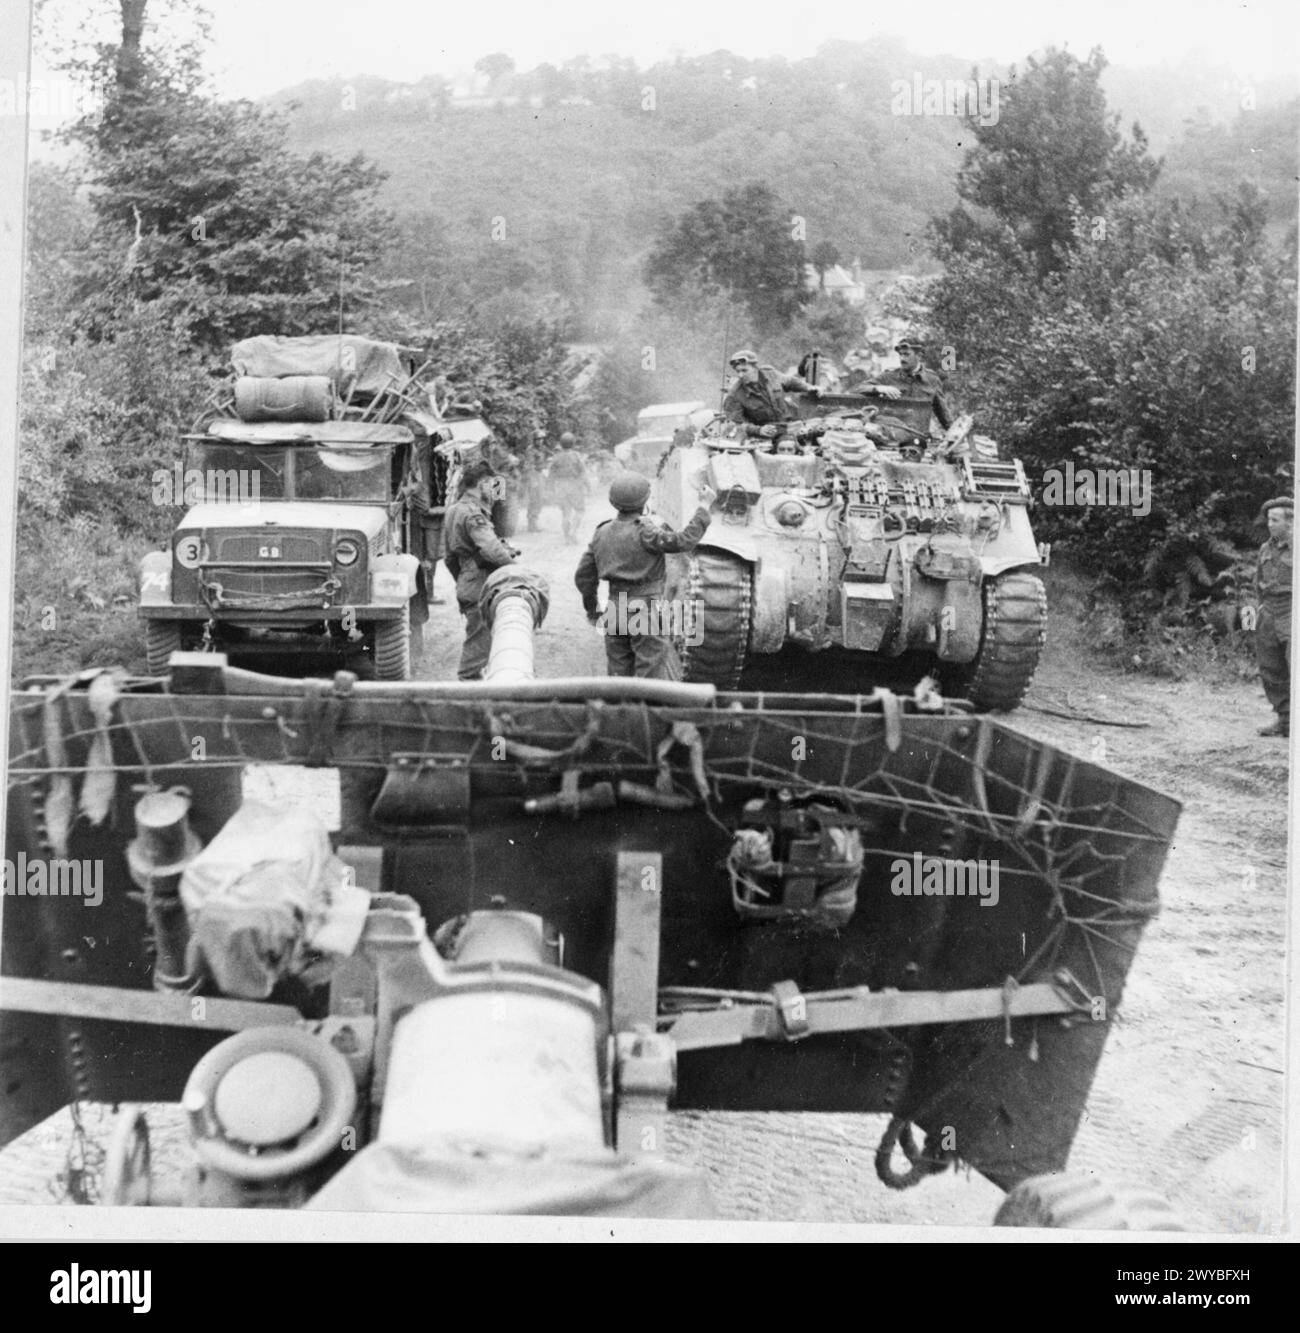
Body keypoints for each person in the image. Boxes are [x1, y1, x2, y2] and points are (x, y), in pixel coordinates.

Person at [575, 472, 717, 679]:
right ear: (644, 501)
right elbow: (684, 541)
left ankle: (620, 710)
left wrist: (592, 609)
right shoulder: (646, 531)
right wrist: (704, 507)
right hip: (644, 608)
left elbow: (584, 576)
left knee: (618, 675)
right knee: (649, 677)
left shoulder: (601, 532)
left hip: (615, 607)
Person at [443, 461, 520, 680]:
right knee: (478, 649)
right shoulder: (473, 514)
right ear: (482, 483)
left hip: (468, 580)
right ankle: (469, 699)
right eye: (491, 484)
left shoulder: (454, 509)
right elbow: (492, 550)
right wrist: (514, 569)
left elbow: (448, 558)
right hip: (479, 583)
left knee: (482, 643)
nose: (494, 489)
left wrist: (463, 578)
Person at [1253, 496, 1292, 737]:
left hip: (1292, 611)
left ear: (1290, 522)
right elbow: (1258, 582)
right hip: (1268, 612)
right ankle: (1285, 719)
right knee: (1270, 668)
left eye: (1275, 520)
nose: (1270, 524)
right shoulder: (1265, 549)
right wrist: (1259, 609)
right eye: (1268, 519)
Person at [722, 349, 819, 440]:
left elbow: (790, 381)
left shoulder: (770, 374)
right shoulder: (734, 395)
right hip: (767, 434)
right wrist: (758, 430)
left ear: (755, 368)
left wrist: (808, 387)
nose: (740, 375)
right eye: (738, 371)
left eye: (744, 370)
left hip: (792, 426)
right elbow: (735, 425)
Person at [885, 336, 953, 432]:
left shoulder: (932, 380)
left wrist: (953, 433)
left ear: (919, 356)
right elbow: (859, 389)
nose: (902, 358)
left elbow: (943, 414)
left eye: (906, 354)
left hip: (920, 436)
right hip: (892, 435)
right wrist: (879, 388)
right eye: (900, 354)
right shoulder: (889, 377)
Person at [547, 432, 589, 545]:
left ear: (561, 444)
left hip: (561, 486)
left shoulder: (556, 457)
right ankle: (574, 532)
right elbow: (583, 472)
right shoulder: (576, 455)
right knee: (580, 510)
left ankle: (566, 537)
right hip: (574, 485)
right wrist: (587, 486)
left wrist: (550, 489)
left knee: (566, 513)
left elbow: (551, 474)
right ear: (573, 443)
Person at [520, 432, 549, 533]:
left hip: (540, 474)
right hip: (533, 475)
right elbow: (529, 465)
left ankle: (534, 522)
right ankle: (532, 525)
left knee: (540, 499)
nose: (540, 441)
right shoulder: (530, 450)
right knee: (534, 500)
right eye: (538, 439)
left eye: (541, 439)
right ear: (534, 440)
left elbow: (544, 460)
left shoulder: (542, 449)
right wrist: (533, 480)